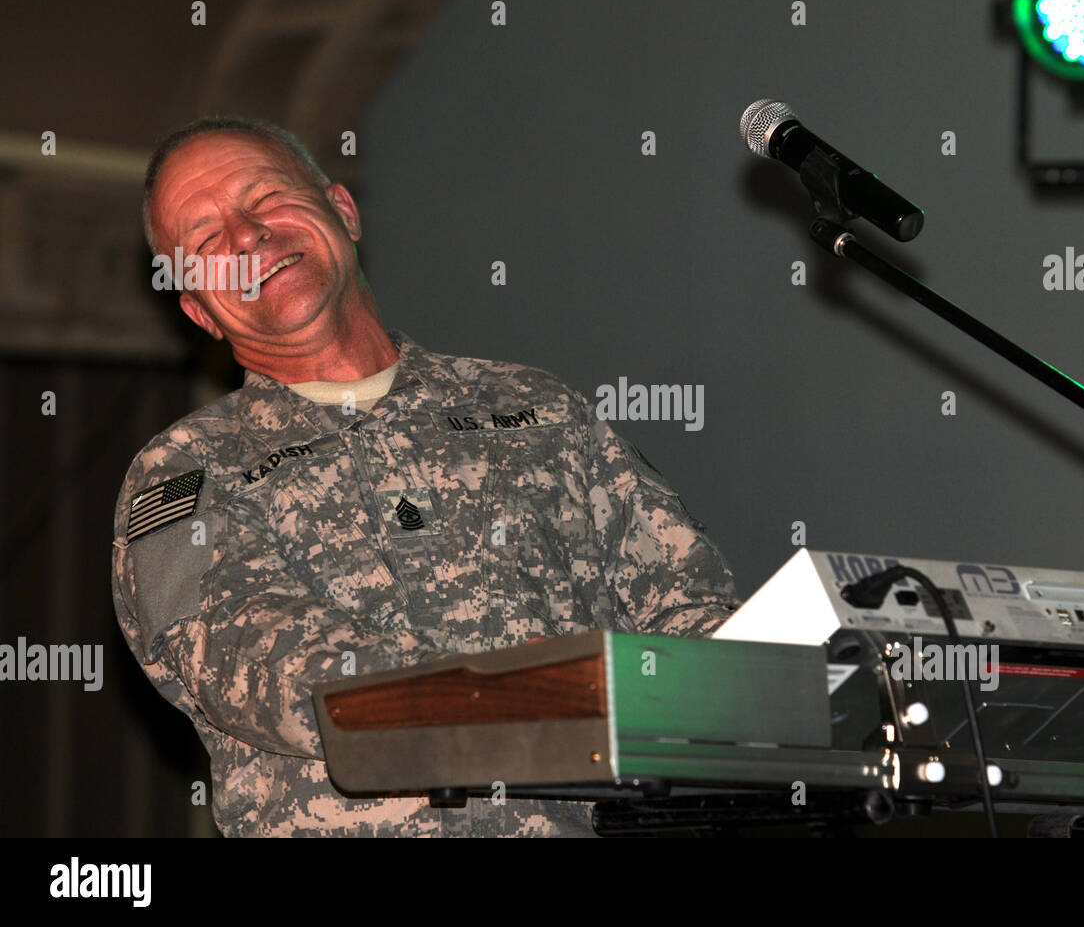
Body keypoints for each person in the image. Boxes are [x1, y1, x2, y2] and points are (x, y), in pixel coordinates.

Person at [112, 117, 739, 837]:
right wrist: (540, 695)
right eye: (207, 238)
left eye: (266, 194)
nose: (248, 235)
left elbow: (694, 617)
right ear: (198, 310)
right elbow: (257, 664)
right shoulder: (182, 473)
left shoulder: (537, 409)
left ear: (342, 213)